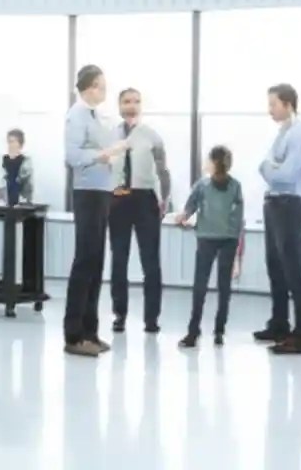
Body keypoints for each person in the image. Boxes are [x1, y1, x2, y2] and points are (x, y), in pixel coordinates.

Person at [63, 64, 128, 357]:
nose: (104, 90)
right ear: (89, 87)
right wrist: (105, 154)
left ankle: (90, 331)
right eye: (101, 85)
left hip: (102, 193)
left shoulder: (95, 117)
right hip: (87, 194)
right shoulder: (76, 115)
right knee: (84, 262)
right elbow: (73, 156)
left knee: (97, 262)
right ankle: (74, 335)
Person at [107, 88, 173, 333]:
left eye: (136, 101)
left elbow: (163, 172)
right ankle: (119, 315)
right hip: (118, 200)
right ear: (119, 105)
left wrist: (165, 199)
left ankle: (151, 318)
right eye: (126, 101)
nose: (131, 105)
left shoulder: (152, 136)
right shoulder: (109, 136)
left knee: (150, 262)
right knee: (119, 260)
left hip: (145, 199)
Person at [257, 83, 301, 355]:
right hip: (273, 204)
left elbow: (284, 174)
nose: (270, 110)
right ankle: (279, 323)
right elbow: (267, 166)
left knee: (293, 271)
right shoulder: (283, 132)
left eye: (273, 104)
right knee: (275, 267)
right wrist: (270, 168)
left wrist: (270, 168)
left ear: (288, 104)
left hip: (289, 206)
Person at [175, 146, 245, 349]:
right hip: (226, 240)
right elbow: (238, 220)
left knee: (200, 286)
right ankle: (219, 331)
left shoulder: (203, 185)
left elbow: (189, 207)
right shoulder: (234, 186)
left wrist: (184, 218)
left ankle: (193, 332)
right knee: (224, 287)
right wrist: (185, 217)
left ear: (214, 163)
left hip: (208, 239)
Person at [1, 128, 35, 205]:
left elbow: (26, 187)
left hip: (20, 204)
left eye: (12, 142)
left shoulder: (25, 162)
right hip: (4, 204)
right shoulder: (4, 160)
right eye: (8, 142)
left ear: (20, 144)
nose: (10, 145)